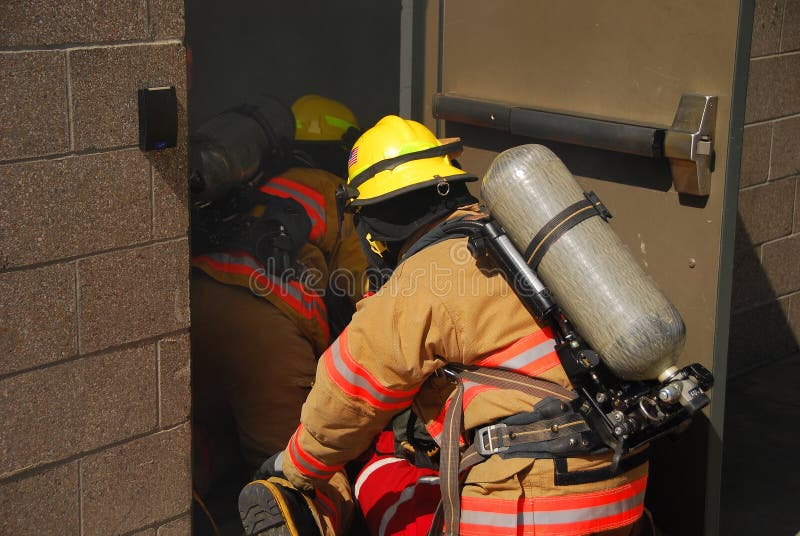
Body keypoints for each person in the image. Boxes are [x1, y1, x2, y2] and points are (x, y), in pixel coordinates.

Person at [237, 116, 651, 536]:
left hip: (532, 501)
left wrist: (294, 466)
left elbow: (347, 393)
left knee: (383, 474)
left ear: (374, 222)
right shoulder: (520, 240)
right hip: (622, 483)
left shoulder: (425, 277)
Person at [190, 95, 369, 531]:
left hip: (191, 310)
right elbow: (357, 289)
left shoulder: (246, 185)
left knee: (206, 438)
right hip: (264, 331)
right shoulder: (333, 191)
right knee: (303, 471)